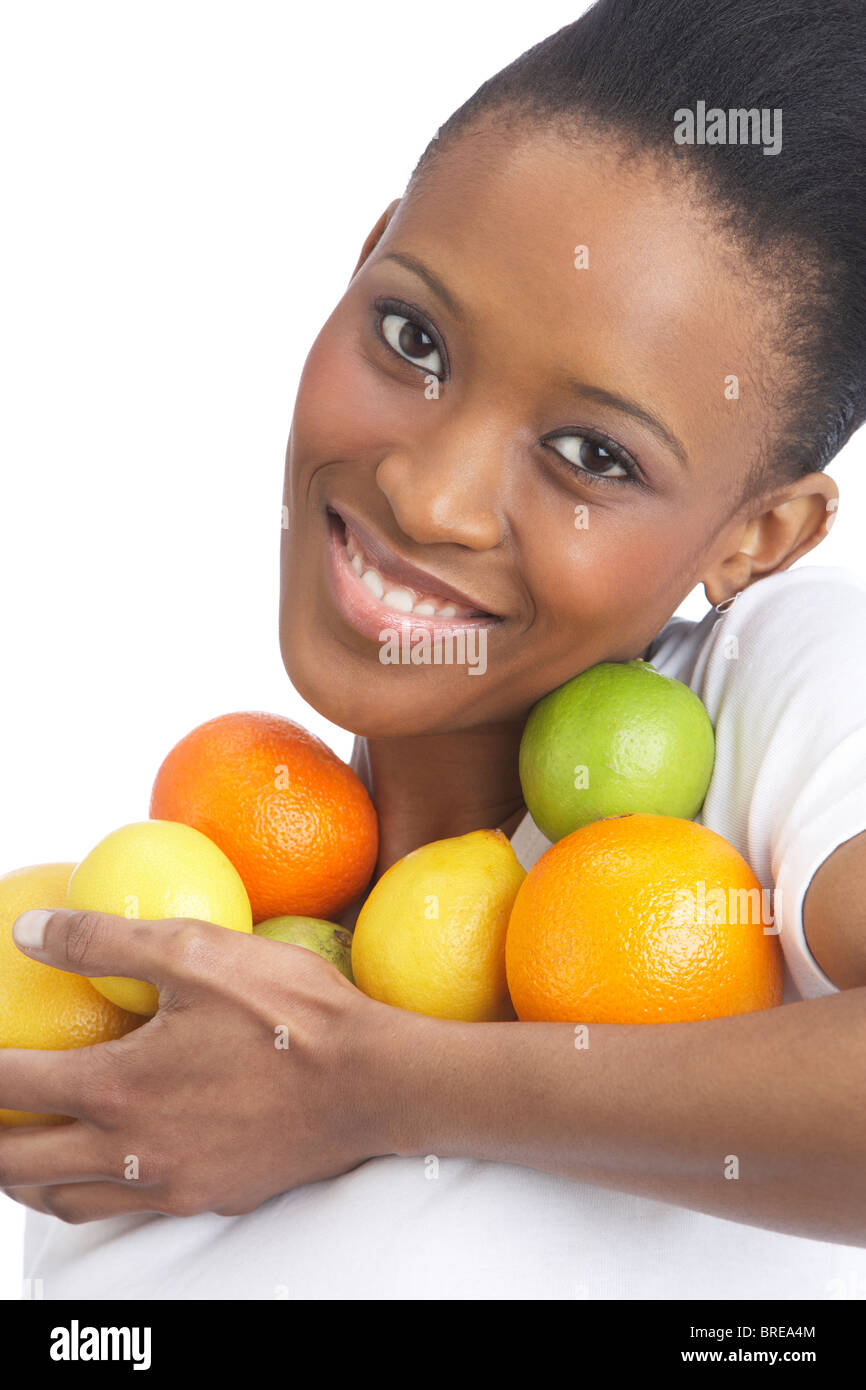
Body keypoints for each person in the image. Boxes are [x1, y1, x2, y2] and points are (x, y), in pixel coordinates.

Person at [6, 0, 866, 1299]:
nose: (430, 495)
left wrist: (367, 1086)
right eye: (414, 339)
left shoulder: (771, 701)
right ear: (362, 260)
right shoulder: (160, 1031)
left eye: (593, 455)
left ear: (758, 534)